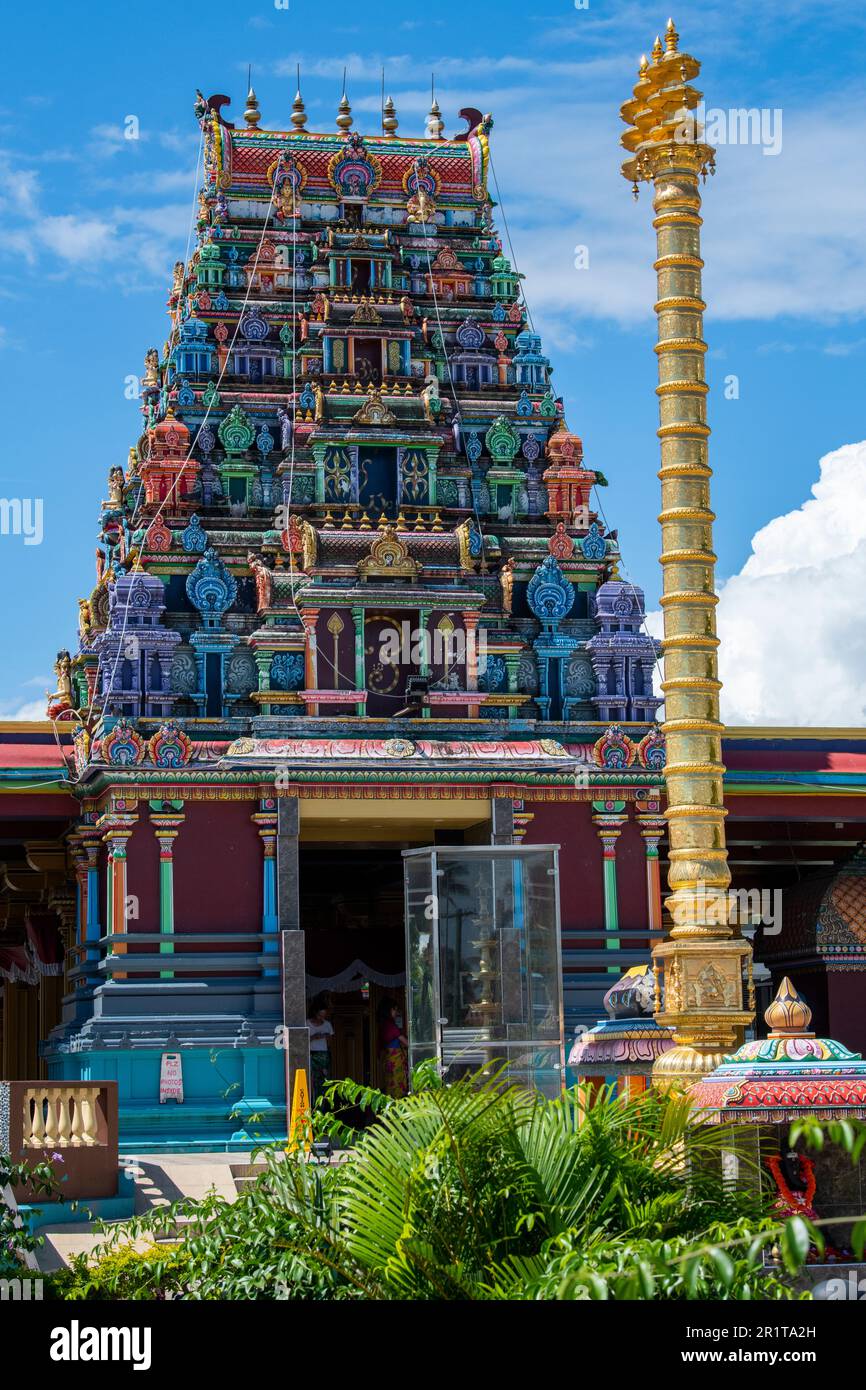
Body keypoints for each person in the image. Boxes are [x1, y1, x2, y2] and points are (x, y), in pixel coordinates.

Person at [378, 997, 408, 1098]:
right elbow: (406, 1043)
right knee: (397, 1084)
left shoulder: (383, 1025)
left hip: (388, 1060)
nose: (396, 1012)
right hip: (395, 1062)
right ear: (389, 1010)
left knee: (390, 1084)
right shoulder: (391, 1026)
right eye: (395, 1009)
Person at [307, 993, 334, 1104]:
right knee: (312, 1081)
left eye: (324, 1016)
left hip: (323, 1055)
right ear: (315, 1013)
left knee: (324, 1082)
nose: (322, 1018)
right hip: (311, 1054)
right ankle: (312, 1104)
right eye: (320, 1016)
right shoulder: (307, 1023)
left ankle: (322, 1106)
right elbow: (301, 1042)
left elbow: (330, 1042)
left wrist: (326, 1037)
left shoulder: (327, 1025)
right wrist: (314, 1037)